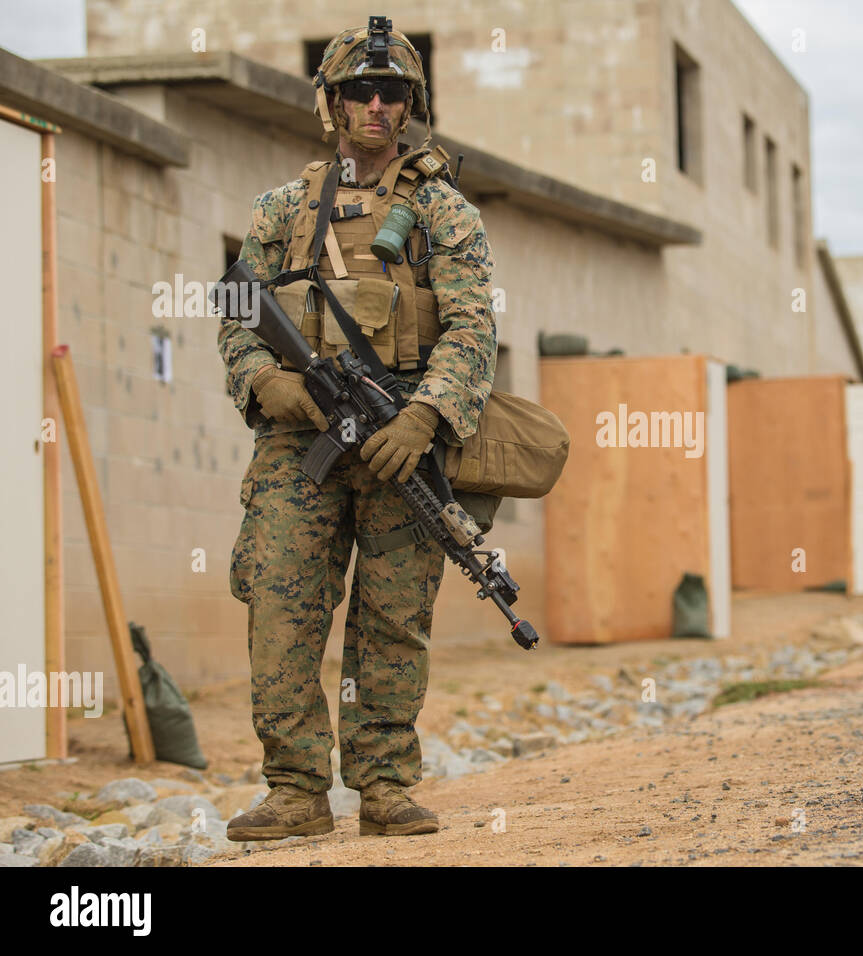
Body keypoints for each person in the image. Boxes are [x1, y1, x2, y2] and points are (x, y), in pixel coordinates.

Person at [218, 17, 496, 839]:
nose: (376, 106)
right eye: (359, 92)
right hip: (295, 440)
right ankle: (296, 790)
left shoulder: (444, 213)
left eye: (394, 93)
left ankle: (382, 785)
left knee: (393, 615)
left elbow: (474, 328)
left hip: (397, 435)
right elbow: (236, 310)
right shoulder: (281, 209)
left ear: (412, 105)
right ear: (330, 102)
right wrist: (264, 378)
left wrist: (423, 416)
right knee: (279, 600)